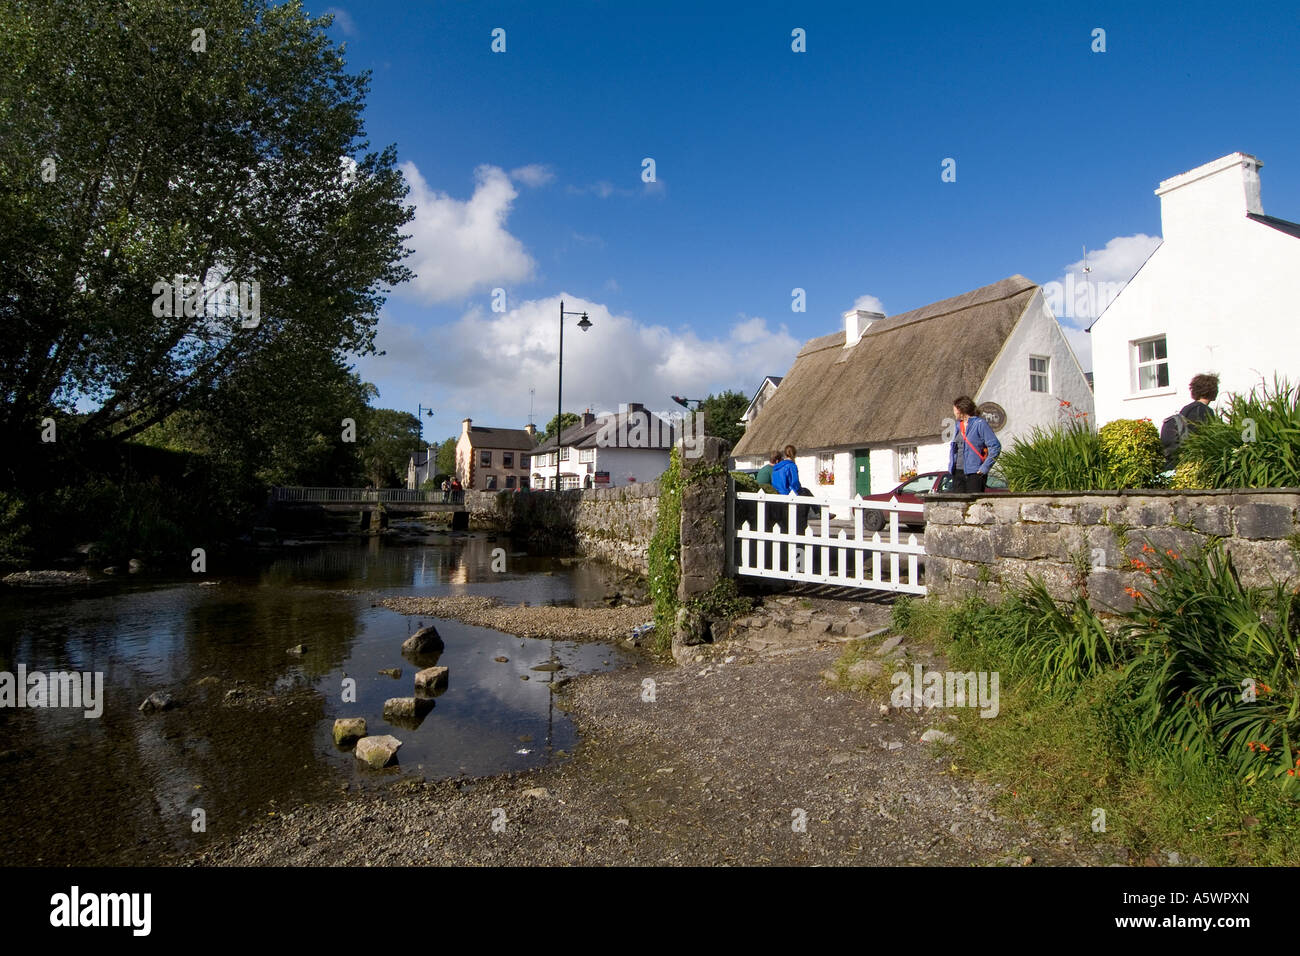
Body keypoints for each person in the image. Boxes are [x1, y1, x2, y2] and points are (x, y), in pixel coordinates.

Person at [1161, 373, 1219, 468]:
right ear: (1212, 390)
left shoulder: (1186, 408)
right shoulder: (1205, 411)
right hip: (1193, 462)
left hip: (1177, 460)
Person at [948, 396, 1001, 492]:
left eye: (955, 408)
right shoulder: (957, 426)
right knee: (958, 504)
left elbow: (995, 446)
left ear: (961, 409)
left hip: (975, 473)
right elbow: (954, 448)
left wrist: (984, 468)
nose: (953, 411)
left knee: (973, 504)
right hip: (958, 471)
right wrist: (951, 466)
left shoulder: (980, 424)